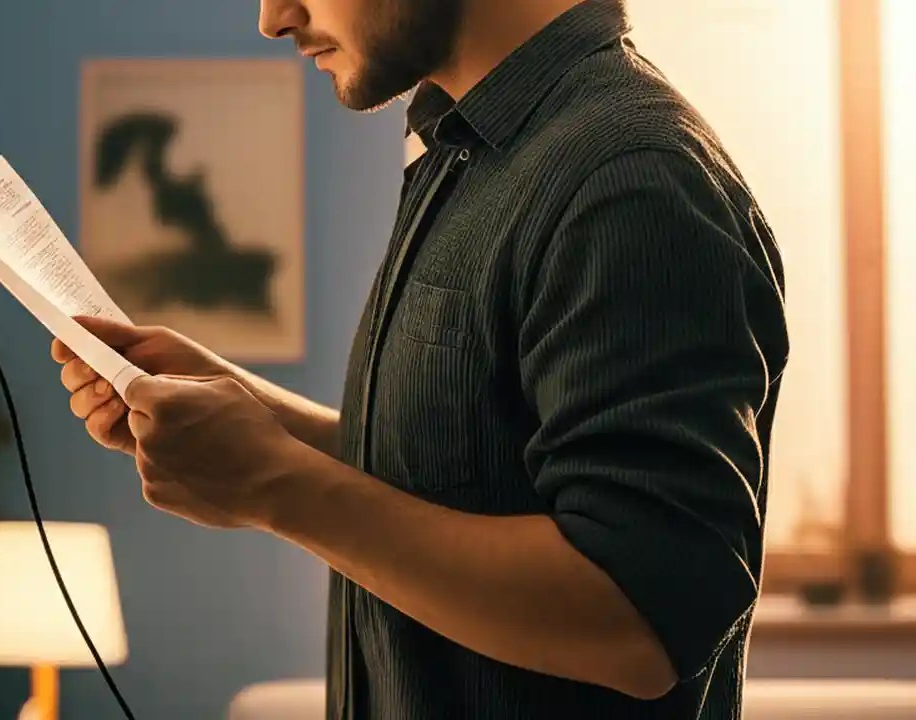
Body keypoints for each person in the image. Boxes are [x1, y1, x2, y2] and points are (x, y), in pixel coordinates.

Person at [51, 0, 789, 716]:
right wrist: (250, 414)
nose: (273, 18)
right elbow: (460, 474)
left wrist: (275, 484)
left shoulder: (631, 178)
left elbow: (637, 619)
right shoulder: (472, 149)